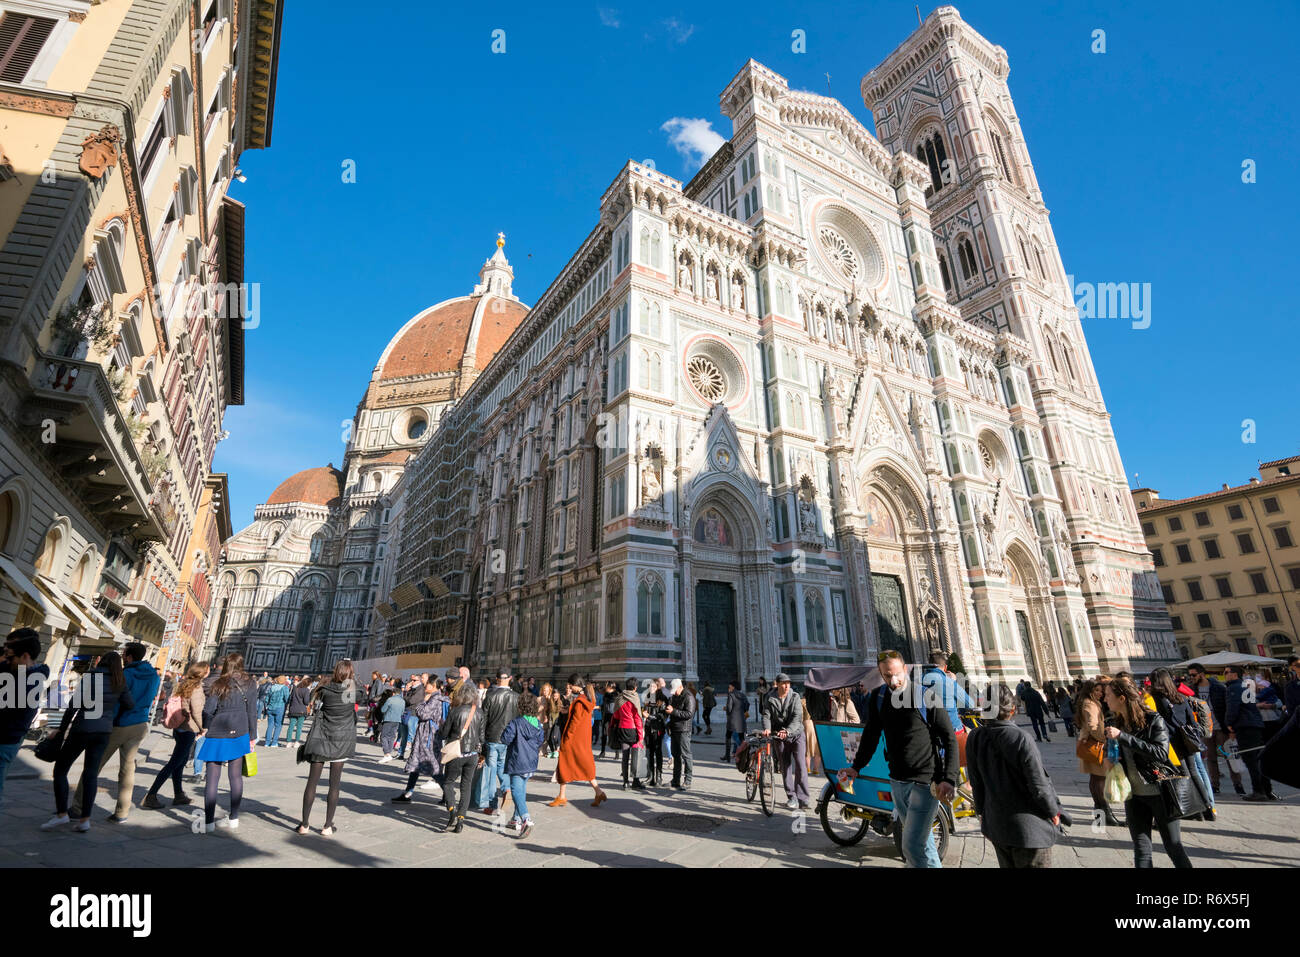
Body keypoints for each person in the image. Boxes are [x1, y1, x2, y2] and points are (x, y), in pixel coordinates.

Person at [846, 651, 959, 868]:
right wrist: (856, 767)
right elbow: (871, 735)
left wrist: (949, 778)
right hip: (898, 781)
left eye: (897, 674)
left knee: (911, 846)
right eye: (887, 675)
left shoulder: (925, 696)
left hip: (926, 782)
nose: (894, 680)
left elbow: (949, 739)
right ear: (881, 674)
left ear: (905, 669)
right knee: (923, 843)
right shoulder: (878, 698)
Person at [966, 683, 1064, 867]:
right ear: (1012, 709)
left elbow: (976, 782)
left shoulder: (974, 737)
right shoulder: (1021, 738)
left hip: (998, 826)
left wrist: (982, 815)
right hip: (1029, 830)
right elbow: (1039, 785)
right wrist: (1053, 812)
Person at [1103, 675, 1193, 868]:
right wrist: (1110, 758)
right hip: (1134, 795)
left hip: (1160, 791)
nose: (1104, 699)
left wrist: (1124, 737)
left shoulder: (1153, 719)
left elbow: (1160, 752)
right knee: (1141, 849)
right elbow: (1113, 757)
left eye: (1108, 695)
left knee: (1173, 847)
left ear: (1122, 698)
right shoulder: (1114, 723)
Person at [67, 641, 159, 822]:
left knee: (93, 767)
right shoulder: (154, 676)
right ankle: (122, 812)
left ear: (130, 656)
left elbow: (118, 701)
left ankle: (78, 808)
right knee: (127, 769)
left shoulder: (125, 674)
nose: (123, 657)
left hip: (119, 724)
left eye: (124, 654)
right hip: (140, 724)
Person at [43, 652, 134, 832]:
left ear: (102, 661)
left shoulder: (92, 676)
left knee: (61, 770)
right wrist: (111, 714)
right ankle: (85, 820)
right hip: (103, 731)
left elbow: (74, 705)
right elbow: (130, 705)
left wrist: (61, 729)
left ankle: (62, 814)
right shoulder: (120, 681)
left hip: (83, 728)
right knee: (91, 774)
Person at [196, 652, 258, 833]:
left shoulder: (218, 683)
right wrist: (252, 735)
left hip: (217, 731)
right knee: (235, 776)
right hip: (239, 731)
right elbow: (252, 711)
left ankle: (208, 822)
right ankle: (234, 818)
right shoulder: (250, 683)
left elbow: (208, 710)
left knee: (212, 779)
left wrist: (205, 727)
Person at [295, 660, 357, 835]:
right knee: (334, 785)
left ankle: (304, 825)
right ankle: (327, 826)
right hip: (341, 741)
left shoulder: (325, 691)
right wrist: (350, 679)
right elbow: (353, 694)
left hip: (320, 739)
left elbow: (320, 695)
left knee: (312, 783)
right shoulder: (351, 690)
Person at [141, 663, 208, 810]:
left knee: (180, 761)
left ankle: (179, 795)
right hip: (188, 728)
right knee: (174, 763)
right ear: (203, 673)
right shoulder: (196, 688)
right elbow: (196, 711)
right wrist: (202, 728)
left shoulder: (184, 684)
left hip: (179, 728)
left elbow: (184, 707)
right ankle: (151, 795)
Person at [1, 628, 48, 813]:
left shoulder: (28, 682)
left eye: (9, 655)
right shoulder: (15, 673)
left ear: (25, 656)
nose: (6, 658)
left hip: (5, 741)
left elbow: (13, 717)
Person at [549, 681, 608, 808]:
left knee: (564, 765)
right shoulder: (585, 699)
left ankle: (562, 796)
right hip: (582, 740)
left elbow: (574, 723)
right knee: (585, 767)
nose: (569, 687)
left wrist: (566, 738)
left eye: (571, 685)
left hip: (573, 740)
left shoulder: (579, 702)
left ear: (577, 685)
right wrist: (567, 710)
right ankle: (598, 792)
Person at [1187, 663, 1243, 796]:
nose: (1191, 677)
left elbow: (1227, 707)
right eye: (1190, 675)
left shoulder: (1219, 688)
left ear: (1201, 674)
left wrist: (1230, 728)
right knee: (1211, 758)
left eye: (1193, 675)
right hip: (1205, 730)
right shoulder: (1191, 690)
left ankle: (1238, 784)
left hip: (1221, 728)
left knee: (1229, 756)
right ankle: (1215, 785)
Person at [1223, 664, 1276, 801]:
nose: (1224, 674)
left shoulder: (1233, 688)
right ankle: (1267, 790)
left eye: (1226, 672)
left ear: (1234, 674)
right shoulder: (1246, 686)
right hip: (1255, 724)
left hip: (1244, 726)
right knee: (1258, 759)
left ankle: (1258, 791)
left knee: (1251, 760)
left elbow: (1233, 707)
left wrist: (1229, 723)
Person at [392, 677, 449, 803]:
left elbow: (422, 713)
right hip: (426, 736)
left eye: (428, 683)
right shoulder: (436, 698)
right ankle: (408, 793)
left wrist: (423, 702)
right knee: (416, 766)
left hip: (428, 738)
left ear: (434, 685)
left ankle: (448, 793)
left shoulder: (435, 699)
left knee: (433, 768)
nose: (425, 685)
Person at [439, 682, 485, 833]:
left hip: (456, 753)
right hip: (472, 754)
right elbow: (482, 737)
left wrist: (441, 726)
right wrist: (481, 754)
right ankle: (461, 819)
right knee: (466, 786)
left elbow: (444, 734)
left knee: (448, 782)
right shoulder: (479, 712)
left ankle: (452, 810)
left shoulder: (455, 711)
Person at [500, 690, 546, 837]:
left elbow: (505, 739)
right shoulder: (538, 724)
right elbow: (540, 741)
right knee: (521, 788)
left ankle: (526, 819)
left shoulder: (516, 723)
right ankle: (516, 819)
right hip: (531, 762)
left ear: (520, 708)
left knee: (516, 791)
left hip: (517, 761)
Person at [762, 673, 810, 810]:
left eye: (788, 683)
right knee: (785, 766)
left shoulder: (794, 697)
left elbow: (797, 717)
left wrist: (787, 731)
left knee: (801, 765)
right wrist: (767, 729)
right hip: (779, 737)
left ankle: (803, 797)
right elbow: (766, 715)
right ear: (777, 684)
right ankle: (792, 796)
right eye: (783, 683)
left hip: (796, 735)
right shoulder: (770, 698)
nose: (786, 685)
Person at [1075, 679, 1120, 827]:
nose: (1100, 694)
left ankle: (1100, 814)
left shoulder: (1090, 702)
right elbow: (1093, 726)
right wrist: (1105, 739)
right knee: (1100, 780)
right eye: (1097, 691)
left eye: (1101, 691)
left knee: (1095, 780)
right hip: (1095, 745)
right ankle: (1106, 813)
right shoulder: (1090, 704)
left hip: (1089, 743)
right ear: (1090, 691)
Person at [477, 669, 518, 814]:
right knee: (502, 768)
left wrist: (481, 740)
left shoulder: (490, 695)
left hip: (492, 737)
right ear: (510, 678)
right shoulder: (516, 697)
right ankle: (507, 789)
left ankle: (492, 804)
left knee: (491, 771)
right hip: (508, 738)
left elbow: (483, 719)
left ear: (496, 679)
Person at [612, 678, 646, 790]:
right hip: (633, 730)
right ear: (635, 687)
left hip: (622, 729)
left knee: (625, 757)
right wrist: (640, 736)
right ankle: (636, 781)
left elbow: (616, 715)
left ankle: (625, 782)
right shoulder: (635, 698)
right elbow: (637, 719)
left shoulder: (620, 698)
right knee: (636, 756)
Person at [667, 677, 695, 790]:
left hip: (684, 729)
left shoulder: (688, 696)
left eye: (676, 690)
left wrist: (673, 711)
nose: (675, 693)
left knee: (686, 755)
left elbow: (689, 714)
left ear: (680, 687)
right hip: (674, 728)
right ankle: (675, 780)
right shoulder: (675, 696)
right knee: (675, 755)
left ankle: (687, 780)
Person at [643, 678, 668, 786]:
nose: (651, 688)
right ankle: (650, 776)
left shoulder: (662, 699)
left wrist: (650, 716)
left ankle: (659, 777)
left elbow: (662, 716)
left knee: (658, 752)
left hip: (657, 728)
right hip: (648, 728)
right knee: (649, 752)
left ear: (658, 687)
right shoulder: (648, 697)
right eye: (650, 686)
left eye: (653, 686)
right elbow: (644, 711)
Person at [376, 684, 406, 762]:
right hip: (397, 721)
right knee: (392, 737)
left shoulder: (390, 700)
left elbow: (383, 710)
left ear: (393, 693)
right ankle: (389, 753)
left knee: (384, 736)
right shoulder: (403, 701)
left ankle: (387, 754)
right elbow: (402, 712)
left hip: (388, 719)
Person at [722, 680, 748, 762]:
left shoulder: (731, 695)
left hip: (732, 721)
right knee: (741, 738)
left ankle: (728, 756)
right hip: (741, 720)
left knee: (728, 737)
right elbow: (747, 706)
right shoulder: (743, 695)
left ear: (733, 687)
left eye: (729, 687)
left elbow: (729, 708)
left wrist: (727, 709)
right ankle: (744, 755)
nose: (728, 689)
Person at [262, 675, 290, 748]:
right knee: (278, 725)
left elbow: (266, 698)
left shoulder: (272, 687)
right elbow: (287, 698)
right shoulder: (285, 688)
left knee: (270, 725)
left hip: (270, 708)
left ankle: (267, 743)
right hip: (279, 708)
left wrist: (268, 706)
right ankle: (274, 743)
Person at [286, 676, 312, 747]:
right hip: (301, 711)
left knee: (291, 726)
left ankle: (288, 742)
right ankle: (296, 742)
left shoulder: (296, 689)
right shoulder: (306, 690)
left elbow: (291, 698)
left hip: (293, 710)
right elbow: (306, 702)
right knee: (299, 727)